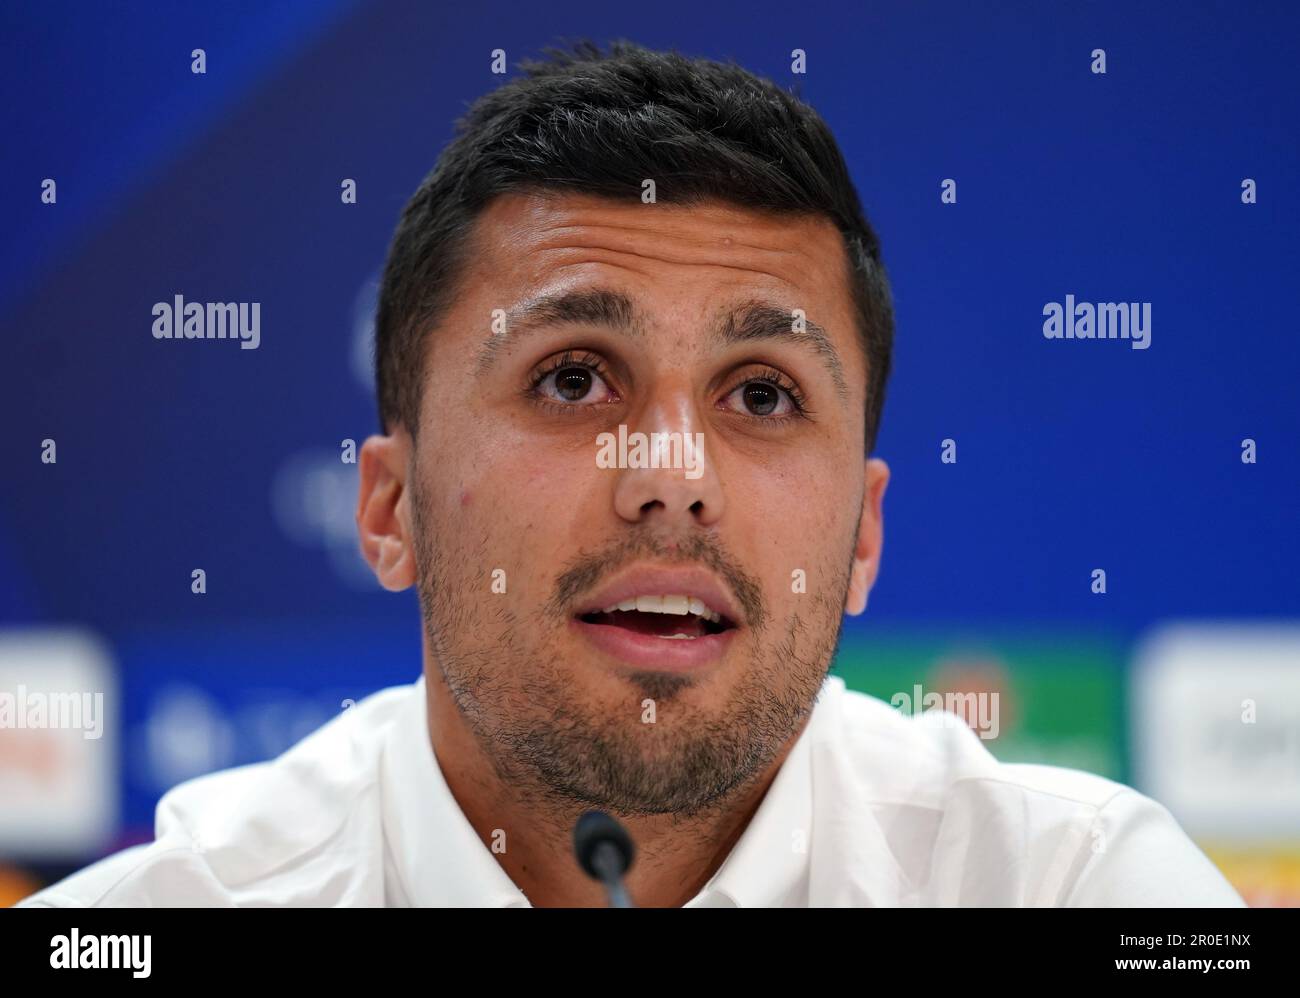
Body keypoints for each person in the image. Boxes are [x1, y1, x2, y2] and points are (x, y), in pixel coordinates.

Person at [18, 40, 1243, 908]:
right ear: (387, 506)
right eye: (571, 378)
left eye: (760, 394)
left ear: (862, 540)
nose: (671, 474)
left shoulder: (1077, 893)